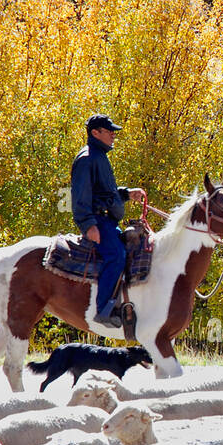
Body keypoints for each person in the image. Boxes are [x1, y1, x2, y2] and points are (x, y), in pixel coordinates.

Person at [70, 114, 146, 330]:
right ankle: (103, 310)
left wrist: (126, 194)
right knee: (117, 255)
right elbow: (80, 196)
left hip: (107, 221)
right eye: (109, 130)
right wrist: (88, 225)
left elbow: (104, 193)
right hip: (99, 222)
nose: (114, 134)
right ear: (95, 133)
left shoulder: (98, 156)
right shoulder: (87, 158)